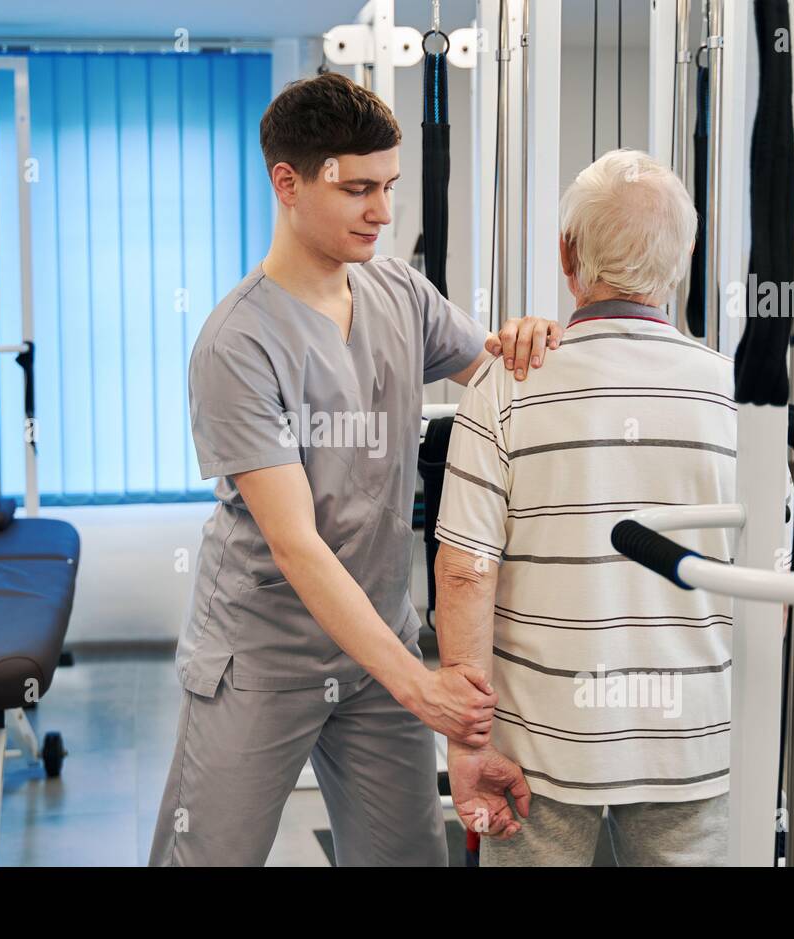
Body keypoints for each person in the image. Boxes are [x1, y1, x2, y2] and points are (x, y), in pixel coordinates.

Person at [148, 71, 562, 866]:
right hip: (262, 655)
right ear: (289, 183)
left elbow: (499, 379)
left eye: (391, 186)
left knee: (406, 858)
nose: (383, 211)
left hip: (380, 645)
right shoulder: (237, 344)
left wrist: (530, 342)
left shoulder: (398, 290)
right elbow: (297, 544)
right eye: (359, 189)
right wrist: (420, 682)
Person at [434, 148, 748, 866]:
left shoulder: (506, 386)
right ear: (685, 257)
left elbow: (465, 573)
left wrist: (466, 743)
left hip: (538, 747)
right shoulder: (738, 399)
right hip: (693, 741)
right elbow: (773, 593)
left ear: (566, 253)